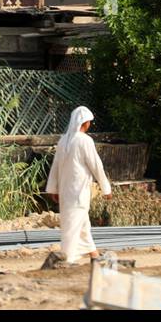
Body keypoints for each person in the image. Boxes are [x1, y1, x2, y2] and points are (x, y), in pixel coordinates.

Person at [45, 106, 112, 264]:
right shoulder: (85, 140)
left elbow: (55, 167)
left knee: (81, 224)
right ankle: (67, 259)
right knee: (73, 226)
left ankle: (94, 256)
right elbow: (96, 165)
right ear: (85, 122)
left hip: (66, 191)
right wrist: (106, 188)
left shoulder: (63, 140)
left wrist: (54, 189)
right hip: (79, 191)